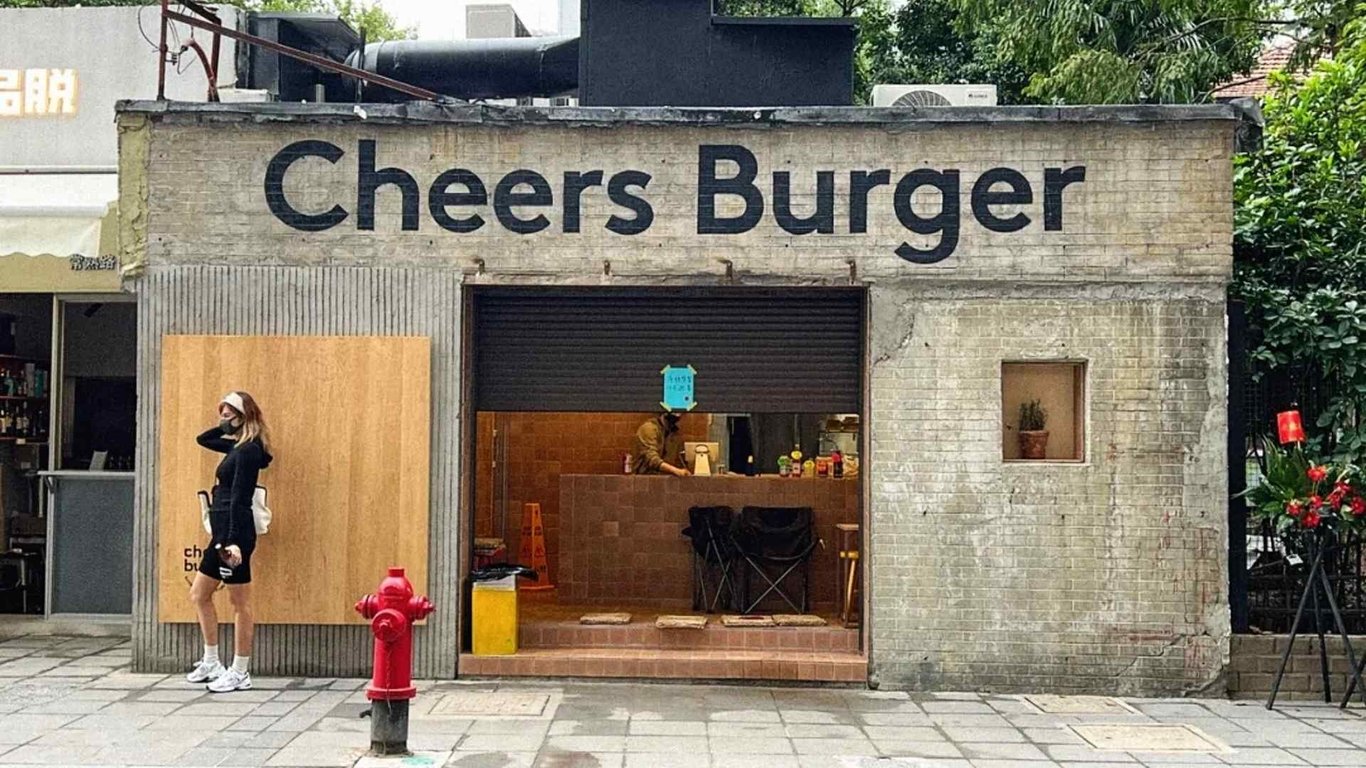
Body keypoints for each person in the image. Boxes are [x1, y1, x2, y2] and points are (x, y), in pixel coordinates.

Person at [185, 391, 274, 693]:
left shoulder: (248, 451)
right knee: (199, 594)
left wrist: (232, 541)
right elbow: (203, 439)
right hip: (221, 532)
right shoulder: (237, 445)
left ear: (243, 416)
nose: (221, 421)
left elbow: (239, 497)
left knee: (239, 602)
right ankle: (212, 661)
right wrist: (229, 423)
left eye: (227, 415)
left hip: (233, 535)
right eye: (221, 415)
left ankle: (240, 670)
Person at [633, 411, 689, 476]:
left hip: (663, 480)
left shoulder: (674, 433)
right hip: (644, 479)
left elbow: (678, 460)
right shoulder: (649, 428)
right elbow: (651, 459)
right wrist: (675, 470)